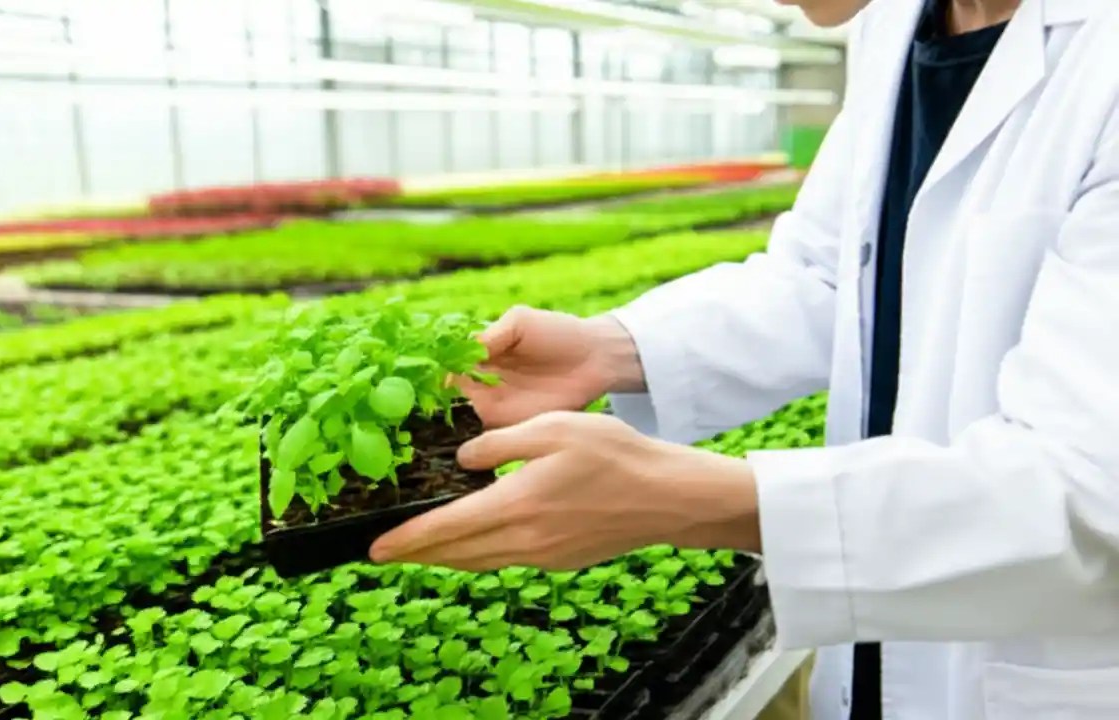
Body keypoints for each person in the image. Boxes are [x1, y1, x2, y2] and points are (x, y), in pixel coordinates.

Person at [370, 0, 1119, 717]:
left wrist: (701, 502)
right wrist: (609, 351)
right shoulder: (893, 24)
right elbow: (831, 273)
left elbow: (1088, 492)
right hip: (880, 661)